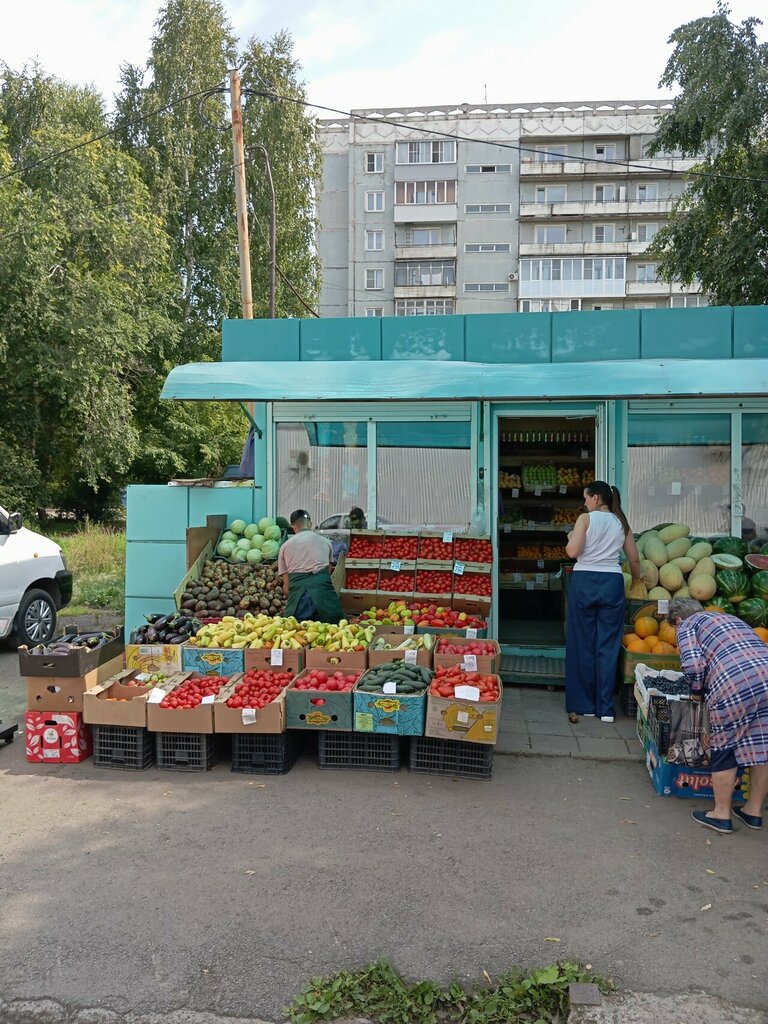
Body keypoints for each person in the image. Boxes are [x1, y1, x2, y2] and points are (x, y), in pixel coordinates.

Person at [668, 597, 768, 835]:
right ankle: (753, 811)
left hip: (736, 682)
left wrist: (696, 692)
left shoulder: (687, 626)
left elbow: (693, 665)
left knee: (725, 745)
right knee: (762, 744)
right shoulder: (729, 618)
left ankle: (721, 814)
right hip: (765, 673)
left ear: (677, 619)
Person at [565, 482, 641, 724]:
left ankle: (584, 705)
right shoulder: (622, 522)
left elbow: (572, 552)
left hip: (585, 580)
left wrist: (570, 538)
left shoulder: (585, 519)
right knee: (607, 646)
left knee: (583, 642)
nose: (585, 502)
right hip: (612, 582)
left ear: (596, 498)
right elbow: (634, 558)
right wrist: (637, 580)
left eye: (586, 498)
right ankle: (606, 708)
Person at [277, 510, 344, 624]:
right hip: (326, 602)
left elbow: (286, 589)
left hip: (299, 603)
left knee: (297, 634)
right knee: (333, 634)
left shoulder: (285, 547)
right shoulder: (326, 542)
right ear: (311, 523)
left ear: (293, 526)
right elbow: (327, 576)